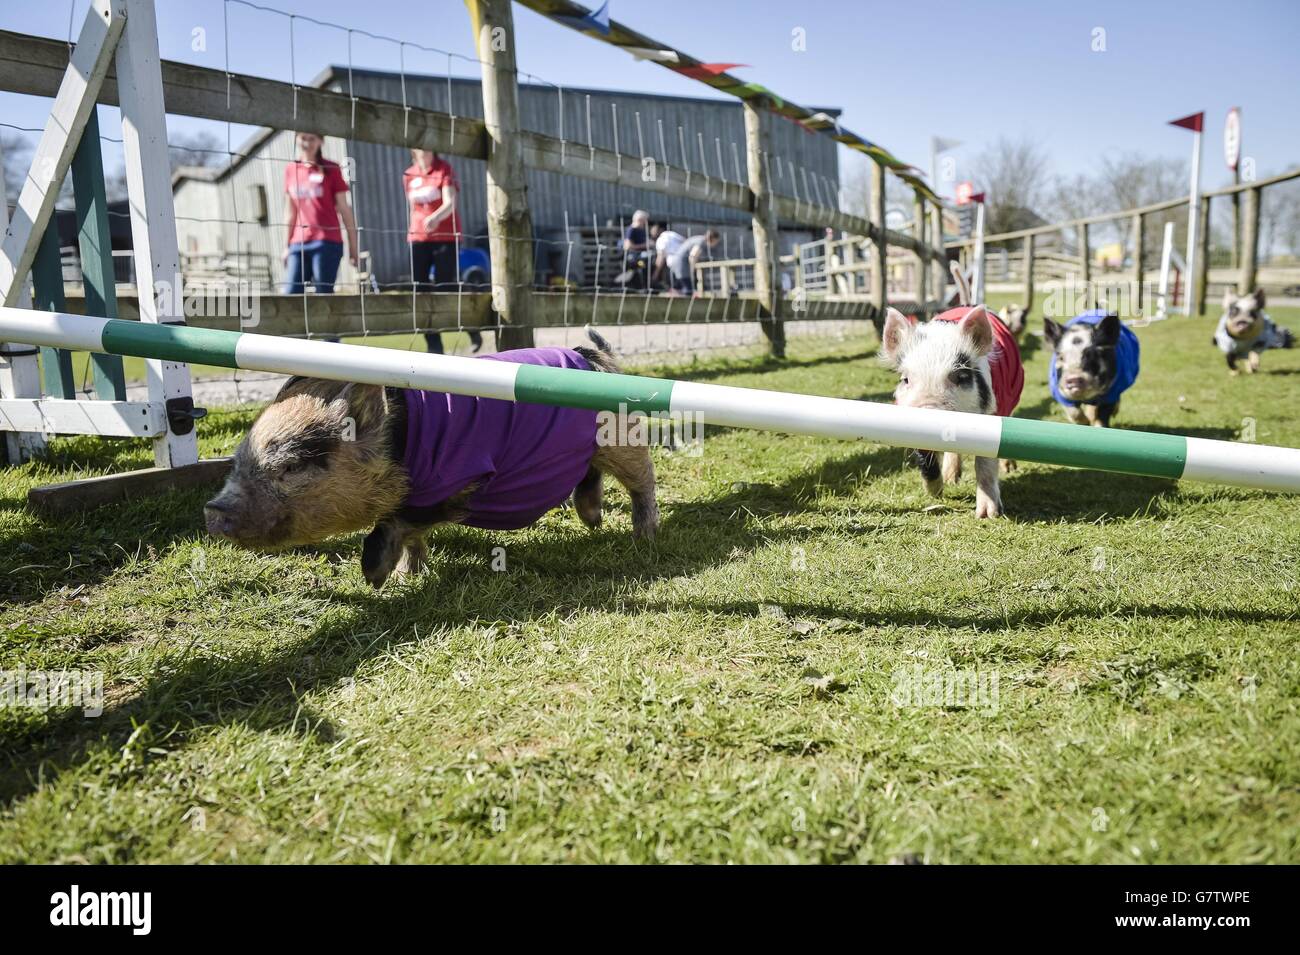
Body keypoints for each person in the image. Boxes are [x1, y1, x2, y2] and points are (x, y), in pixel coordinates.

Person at [404, 149, 481, 354]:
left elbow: (450, 203)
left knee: (445, 286)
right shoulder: (409, 174)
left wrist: (436, 218)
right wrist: (412, 230)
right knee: (420, 291)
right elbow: (412, 208)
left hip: (445, 237)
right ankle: (433, 343)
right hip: (418, 238)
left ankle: (471, 327)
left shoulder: (444, 169)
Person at [283, 132, 357, 295]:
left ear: (320, 141)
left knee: (323, 295)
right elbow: (290, 213)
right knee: (291, 294)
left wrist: (353, 247)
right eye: (303, 138)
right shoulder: (291, 170)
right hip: (299, 243)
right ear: (296, 139)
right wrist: (286, 247)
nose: (307, 143)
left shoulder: (332, 169)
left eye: (312, 139)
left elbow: (345, 210)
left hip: (327, 242)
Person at [667, 228, 720, 296]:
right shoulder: (701, 242)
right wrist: (692, 271)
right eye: (716, 242)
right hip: (682, 265)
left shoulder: (698, 238)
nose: (716, 244)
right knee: (688, 289)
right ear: (712, 239)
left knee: (678, 286)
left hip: (676, 262)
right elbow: (693, 256)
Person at [620, 210, 650, 289]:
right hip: (634, 259)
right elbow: (627, 246)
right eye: (644, 220)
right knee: (643, 265)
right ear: (640, 220)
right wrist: (644, 245)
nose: (645, 223)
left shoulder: (642, 230)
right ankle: (642, 286)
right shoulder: (632, 229)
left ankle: (648, 285)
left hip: (643, 256)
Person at [652, 223, 684, 290]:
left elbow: (661, 257)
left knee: (675, 284)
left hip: (673, 261)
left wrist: (656, 274)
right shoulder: (673, 234)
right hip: (685, 259)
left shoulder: (661, 239)